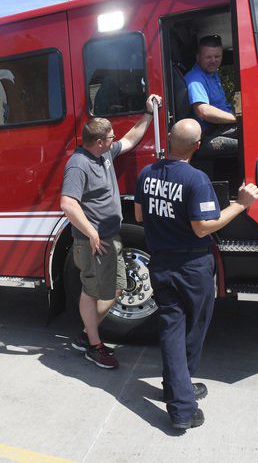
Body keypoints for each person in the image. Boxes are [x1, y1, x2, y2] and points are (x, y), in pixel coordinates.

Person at [134, 119, 258, 430]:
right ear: (197, 146)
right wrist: (241, 205)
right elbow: (202, 226)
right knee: (191, 330)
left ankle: (178, 386)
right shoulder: (196, 179)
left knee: (172, 330)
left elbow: (139, 215)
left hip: (161, 263)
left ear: (168, 139)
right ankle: (181, 409)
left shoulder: (146, 173)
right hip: (192, 268)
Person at [61, 94, 161, 369]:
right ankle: (94, 345)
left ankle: (85, 334)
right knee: (91, 291)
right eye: (110, 136)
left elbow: (130, 139)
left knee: (116, 289)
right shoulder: (79, 164)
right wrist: (92, 234)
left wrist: (148, 114)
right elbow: (68, 204)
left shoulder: (103, 153)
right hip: (93, 242)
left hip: (109, 238)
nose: (115, 138)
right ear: (99, 142)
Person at [183, 35, 238, 153]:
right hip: (208, 134)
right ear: (198, 57)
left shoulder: (213, 74)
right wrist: (236, 118)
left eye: (217, 56)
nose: (213, 61)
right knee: (250, 137)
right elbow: (203, 111)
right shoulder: (195, 78)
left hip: (221, 127)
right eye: (208, 57)